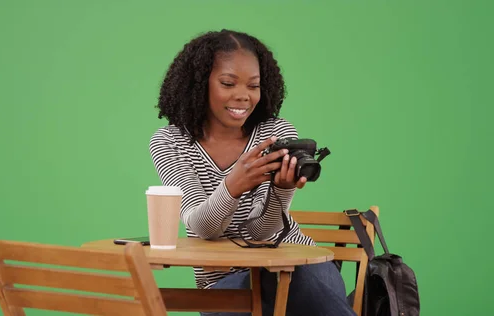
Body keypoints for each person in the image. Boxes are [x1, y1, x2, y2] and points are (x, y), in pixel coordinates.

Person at [149, 29, 355, 316]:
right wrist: (233, 186)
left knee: (294, 274)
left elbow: (261, 233)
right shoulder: (171, 142)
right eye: (228, 83)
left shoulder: (276, 133)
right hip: (224, 286)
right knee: (272, 282)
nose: (243, 96)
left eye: (253, 86)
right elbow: (201, 227)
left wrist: (283, 189)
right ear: (198, 84)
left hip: (302, 272)